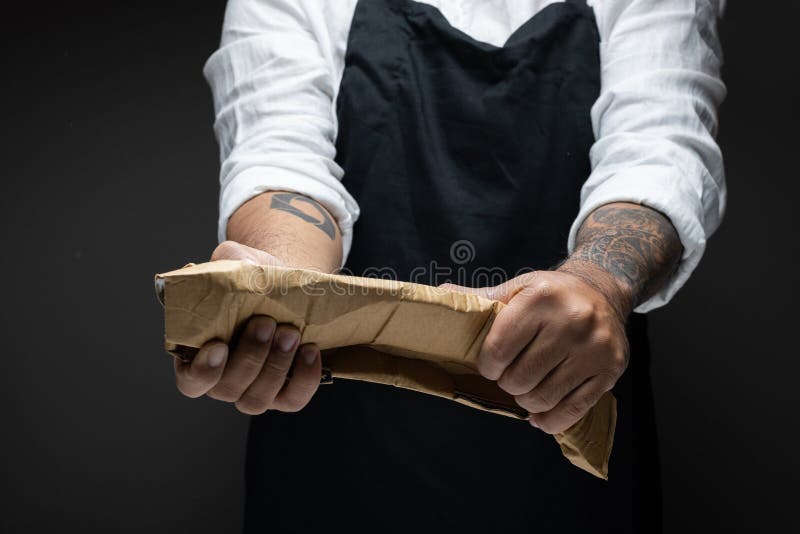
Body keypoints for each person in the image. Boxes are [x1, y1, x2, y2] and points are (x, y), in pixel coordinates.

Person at [174, 0, 726, 531]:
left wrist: (596, 284)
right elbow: (279, 157)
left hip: (566, 444)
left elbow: (661, 151)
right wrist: (278, 292)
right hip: (338, 452)